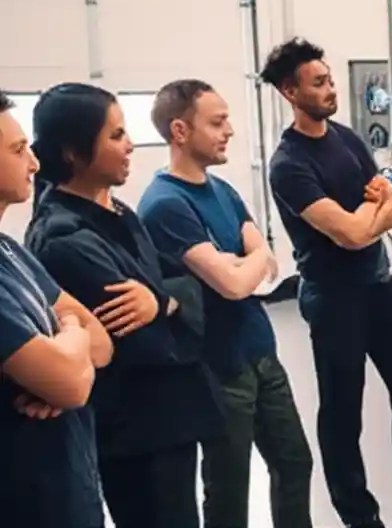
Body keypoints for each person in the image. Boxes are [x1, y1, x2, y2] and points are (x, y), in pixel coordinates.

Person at [22, 83, 226, 528]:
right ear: (74, 152)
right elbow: (146, 341)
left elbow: (181, 286)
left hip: (165, 422)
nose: (130, 145)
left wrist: (162, 301)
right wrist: (172, 304)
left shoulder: (119, 213)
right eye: (115, 135)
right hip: (136, 429)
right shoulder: (65, 239)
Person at [260, 37, 392, 528]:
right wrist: (373, 216)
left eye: (331, 80)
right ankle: (360, 517)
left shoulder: (348, 139)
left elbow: (388, 206)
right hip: (334, 298)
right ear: (290, 92)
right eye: (319, 83)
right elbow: (353, 233)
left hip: (379, 286)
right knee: (342, 410)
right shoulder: (289, 164)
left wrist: (370, 217)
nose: (331, 89)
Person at [137, 79, 313, 528]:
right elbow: (234, 284)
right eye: (217, 123)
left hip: (260, 351)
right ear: (180, 131)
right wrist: (244, 263)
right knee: (229, 488)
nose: (229, 130)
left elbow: (267, 260)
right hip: (218, 365)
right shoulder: (164, 205)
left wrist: (243, 262)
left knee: (294, 463)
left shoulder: (224, 191)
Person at [0, 89, 114, 527]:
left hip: (69, 489)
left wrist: (66, 354)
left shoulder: (10, 252)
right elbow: (70, 384)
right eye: (17, 150)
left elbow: (100, 343)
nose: (33, 163)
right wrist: (69, 341)